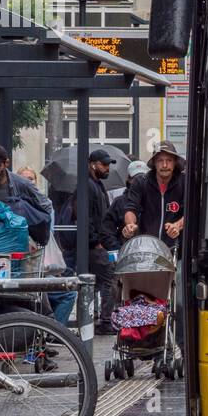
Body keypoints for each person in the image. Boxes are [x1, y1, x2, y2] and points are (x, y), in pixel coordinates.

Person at [55, 148, 120, 334]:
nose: (107, 168)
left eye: (108, 165)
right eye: (103, 164)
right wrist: (95, 241)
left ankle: (93, 319)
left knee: (97, 283)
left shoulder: (95, 185)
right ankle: (104, 321)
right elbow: (84, 216)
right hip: (93, 245)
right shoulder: (88, 186)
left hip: (96, 243)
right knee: (109, 280)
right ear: (93, 164)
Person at [0, 144, 53, 274]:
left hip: (18, 242)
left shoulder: (22, 184)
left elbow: (45, 205)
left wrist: (30, 235)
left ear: (6, 163)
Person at [123, 141, 186, 245]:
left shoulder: (185, 182)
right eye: (160, 160)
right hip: (147, 248)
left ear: (175, 162)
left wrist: (177, 226)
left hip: (177, 248)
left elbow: (192, 212)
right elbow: (131, 208)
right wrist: (130, 225)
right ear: (154, 163)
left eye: (169, 160)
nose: (165, 165)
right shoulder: (141, 182)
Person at [104, 160, 149, 249]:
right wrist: (119, 248)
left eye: (143, 177)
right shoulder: (119, 202)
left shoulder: (157, 200)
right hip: (127, 256)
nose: (139, 181)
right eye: (135, 178)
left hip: (152, 253)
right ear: (129, 179)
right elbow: (106, 231)